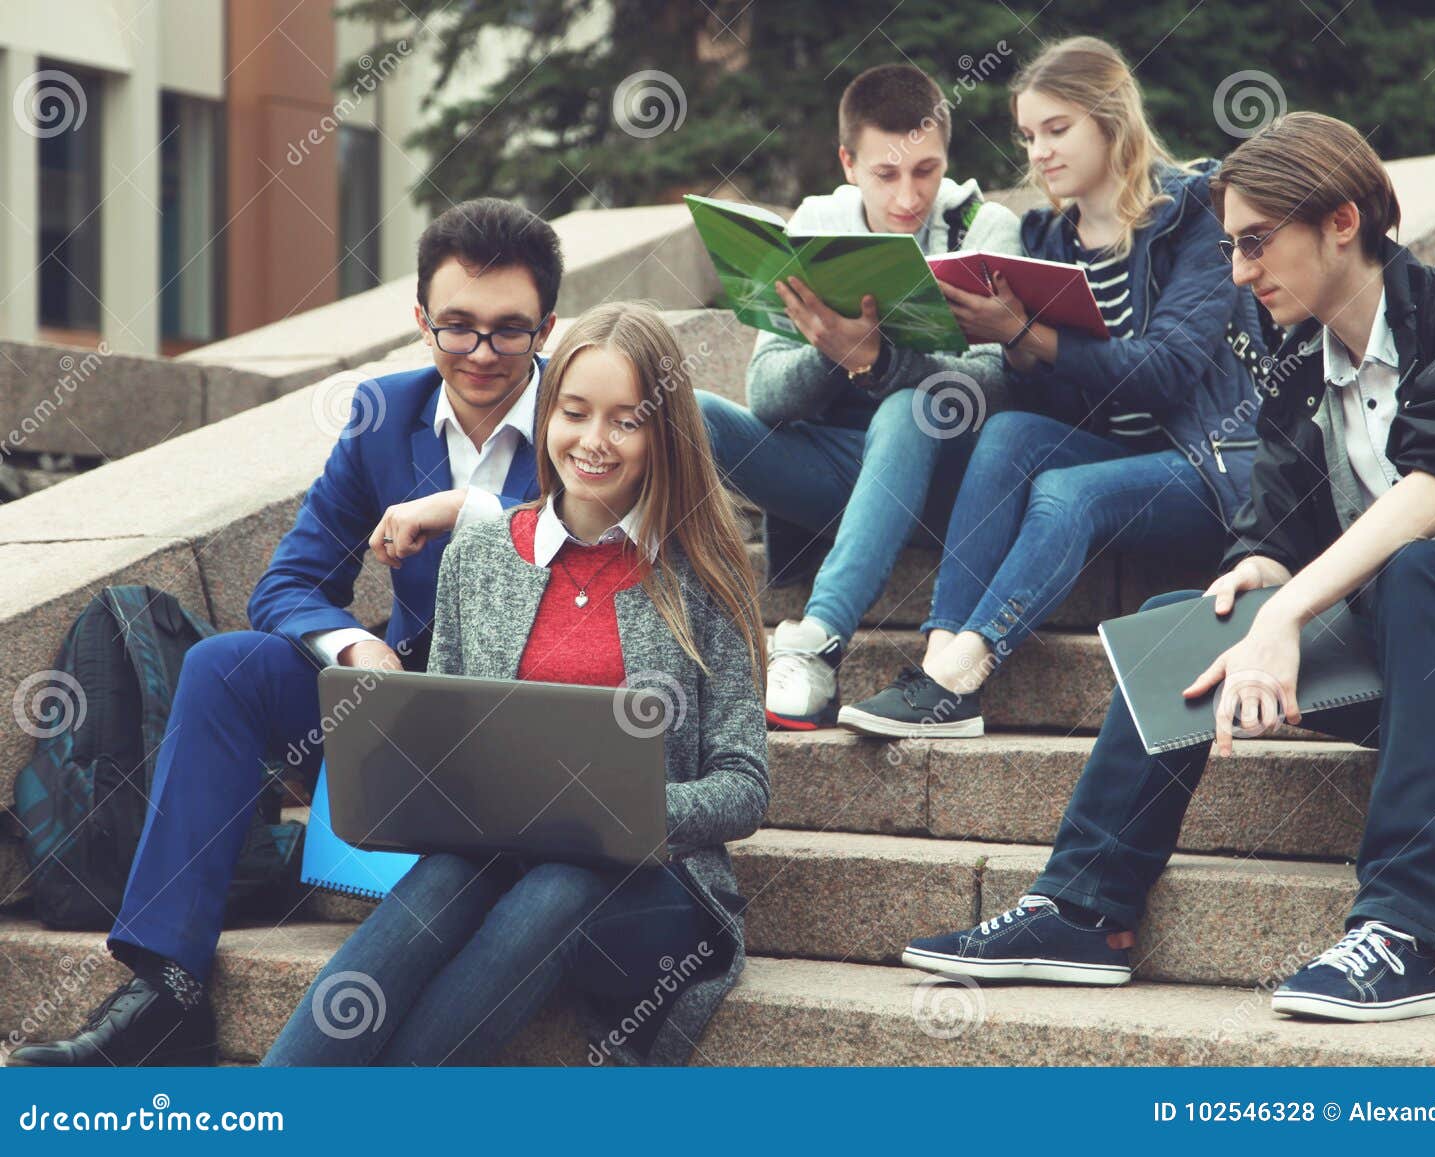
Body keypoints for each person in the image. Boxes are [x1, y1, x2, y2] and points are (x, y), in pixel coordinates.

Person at [900, 111, 1435, 1023]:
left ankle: (1400, 934)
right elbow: (1271, 522)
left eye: (1257, 243)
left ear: (1342, 220)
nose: (1238, 272)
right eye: (1230, 247)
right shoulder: (1302, 362)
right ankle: (1081, 907)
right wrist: (1253, 583)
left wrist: (1289, 612)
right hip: (1426, 661)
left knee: (1424, 571)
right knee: (1192, 613)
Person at [7, 198, 564, 1066]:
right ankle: (166, 989)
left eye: (509, 331)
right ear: (421, 321)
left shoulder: (588, 415)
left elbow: (611, 543)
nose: (481, 354)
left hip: (539, 725)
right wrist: (357, 649)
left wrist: (470, 510)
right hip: (399, 715)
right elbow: (289, 583)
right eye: (457, 327)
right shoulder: (386, 414)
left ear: (548, 328)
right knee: (228, 664)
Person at [263, 302, 768, 1066]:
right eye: (574, 412)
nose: (594, 441)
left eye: (626, 420)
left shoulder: (707, 578)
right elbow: (447, 741)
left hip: (657, 889)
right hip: (492, 858)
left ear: (663, 433)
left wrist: (622, 810)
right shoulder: (483, 555)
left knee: (561, 880)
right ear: (548, 414)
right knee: (438, 884)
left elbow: (744, 787)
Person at [839, 37, 1265, 739]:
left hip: (1206, 462)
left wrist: (1032, 337)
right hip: (1112, 450)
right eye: (1029, 135)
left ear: (1112, 119)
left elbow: (1168, 371)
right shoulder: (1047, 238)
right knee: (1008, 433)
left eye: (1057, 130)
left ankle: (963, 672)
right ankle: (939, 657)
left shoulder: (1199, 213)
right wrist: (1007, 340)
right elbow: (1051, 402)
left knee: (1069, 491)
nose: (1038, 152)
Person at [694, 62, 1023, 730]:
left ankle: (817, 641)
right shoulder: (816, 224)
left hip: (943, 483)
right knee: (687, 411)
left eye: (926, 170)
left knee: (911, 404)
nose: (908, 196)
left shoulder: (986, 229)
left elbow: (998, 385)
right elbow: (764, 395)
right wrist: (832, 354)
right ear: (849, 163)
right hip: (834, 470)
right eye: (887, 173)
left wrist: (878, 364)